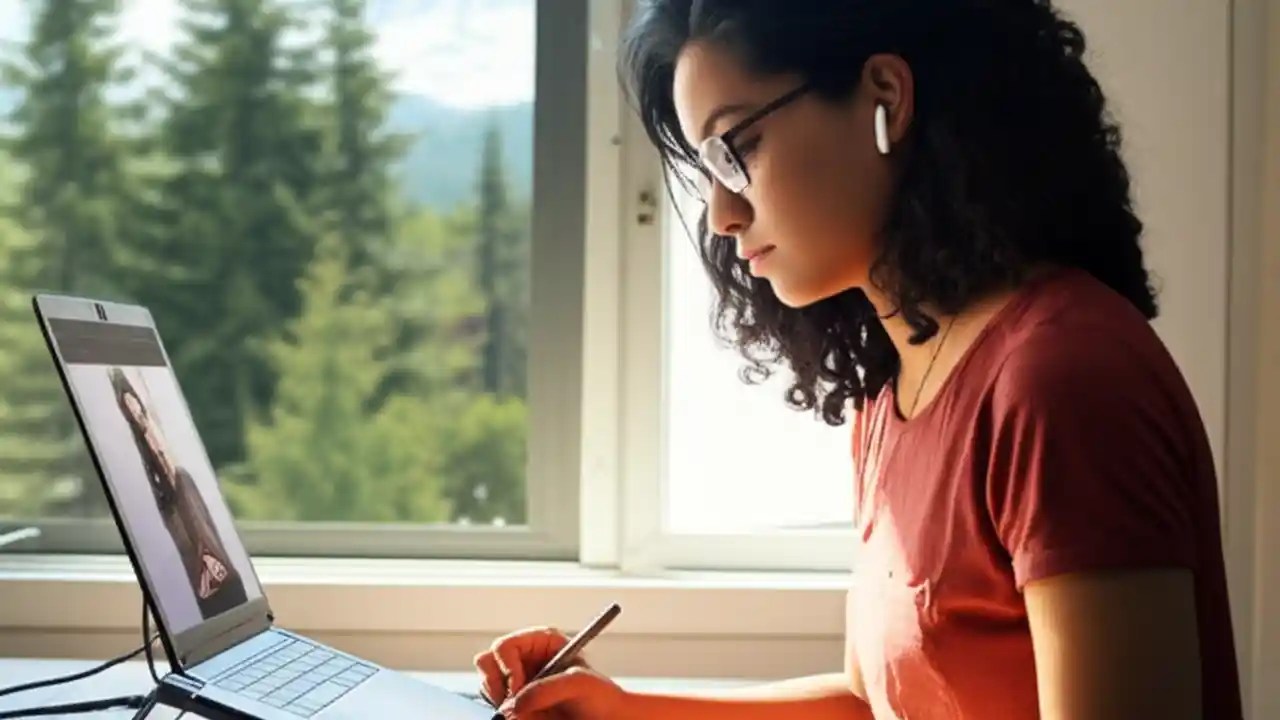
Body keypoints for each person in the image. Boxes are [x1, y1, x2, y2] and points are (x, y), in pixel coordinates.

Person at [475, 0, 1243, 718]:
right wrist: (624, 710)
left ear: (885, 95)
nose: (720, 212)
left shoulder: (1062, 381)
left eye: (736, 147)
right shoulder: (899, 389)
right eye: (704, 170)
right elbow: (873, 700)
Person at [110, 367, 247, 619]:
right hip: (211, 597)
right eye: (136, 418)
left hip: (225, 595)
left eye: (142, 415)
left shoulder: (184, 482)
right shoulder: (164, 498)